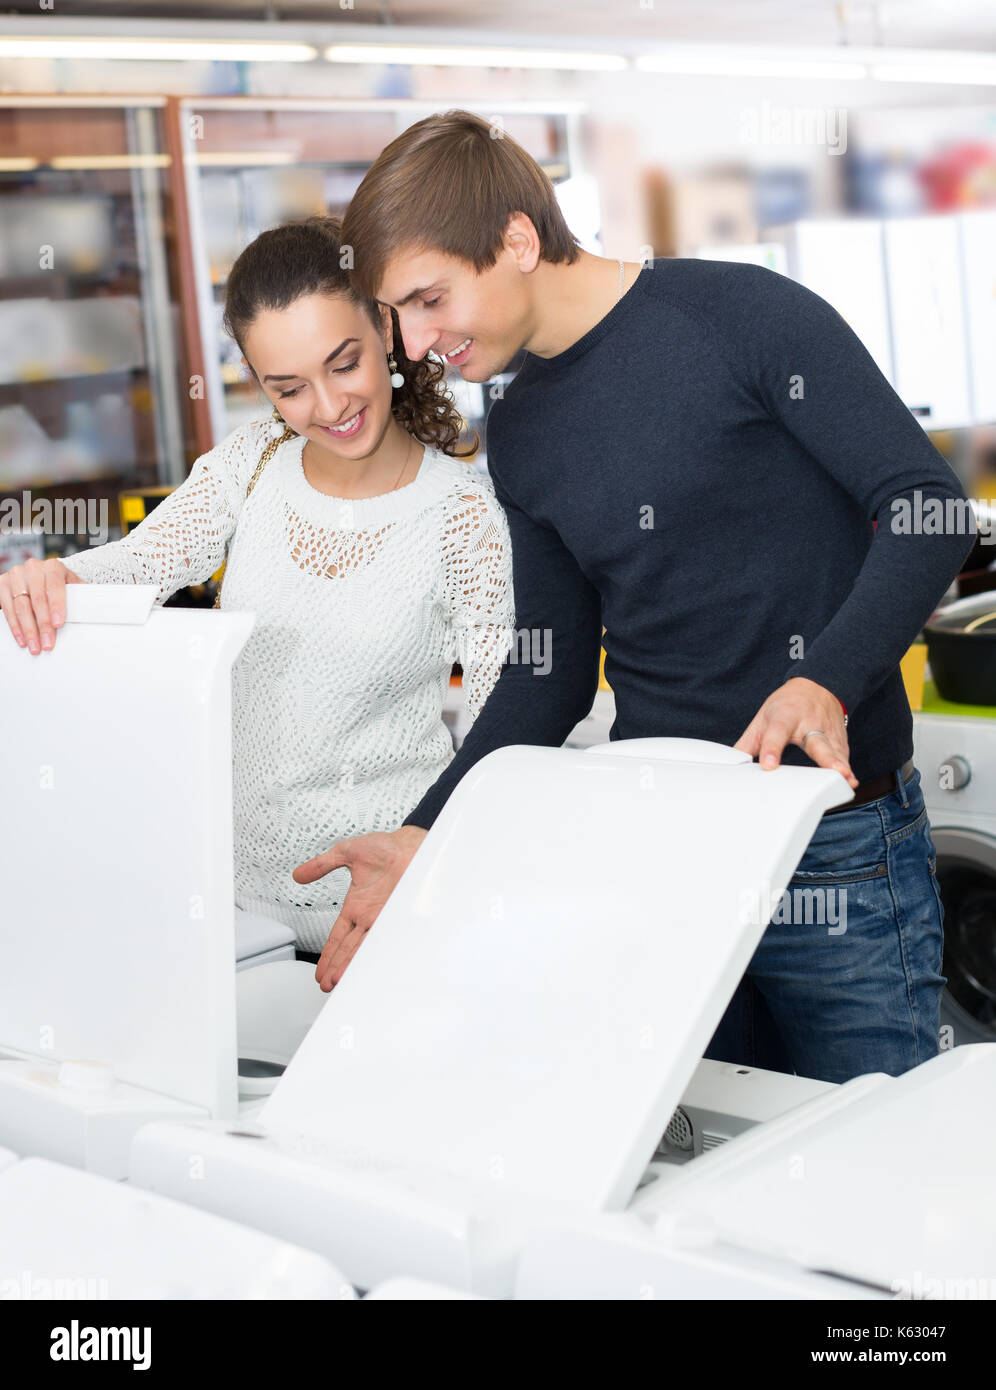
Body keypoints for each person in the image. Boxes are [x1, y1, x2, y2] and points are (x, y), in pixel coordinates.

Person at [299, 112, 974, 1086]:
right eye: (395, 314)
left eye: (428, 299)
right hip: (671, 847)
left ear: (519, 241)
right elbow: (550, 678)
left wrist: (822, 679)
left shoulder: (742, 318)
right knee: (702, 1167)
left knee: (872, 1159)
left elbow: (925, 511)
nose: (412, 342)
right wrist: (425, 829)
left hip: (837, 842)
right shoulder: (521, 428)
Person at [0, 215, 514, 957]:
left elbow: (500, 725)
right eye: (290, 388)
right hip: (237, 911)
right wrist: (57, 575)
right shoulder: (251, 463)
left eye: (344, 364)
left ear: (384, 327)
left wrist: (430, 847)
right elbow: (142, 563)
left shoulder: (462, 514)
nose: (329, 408)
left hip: (393, 909)